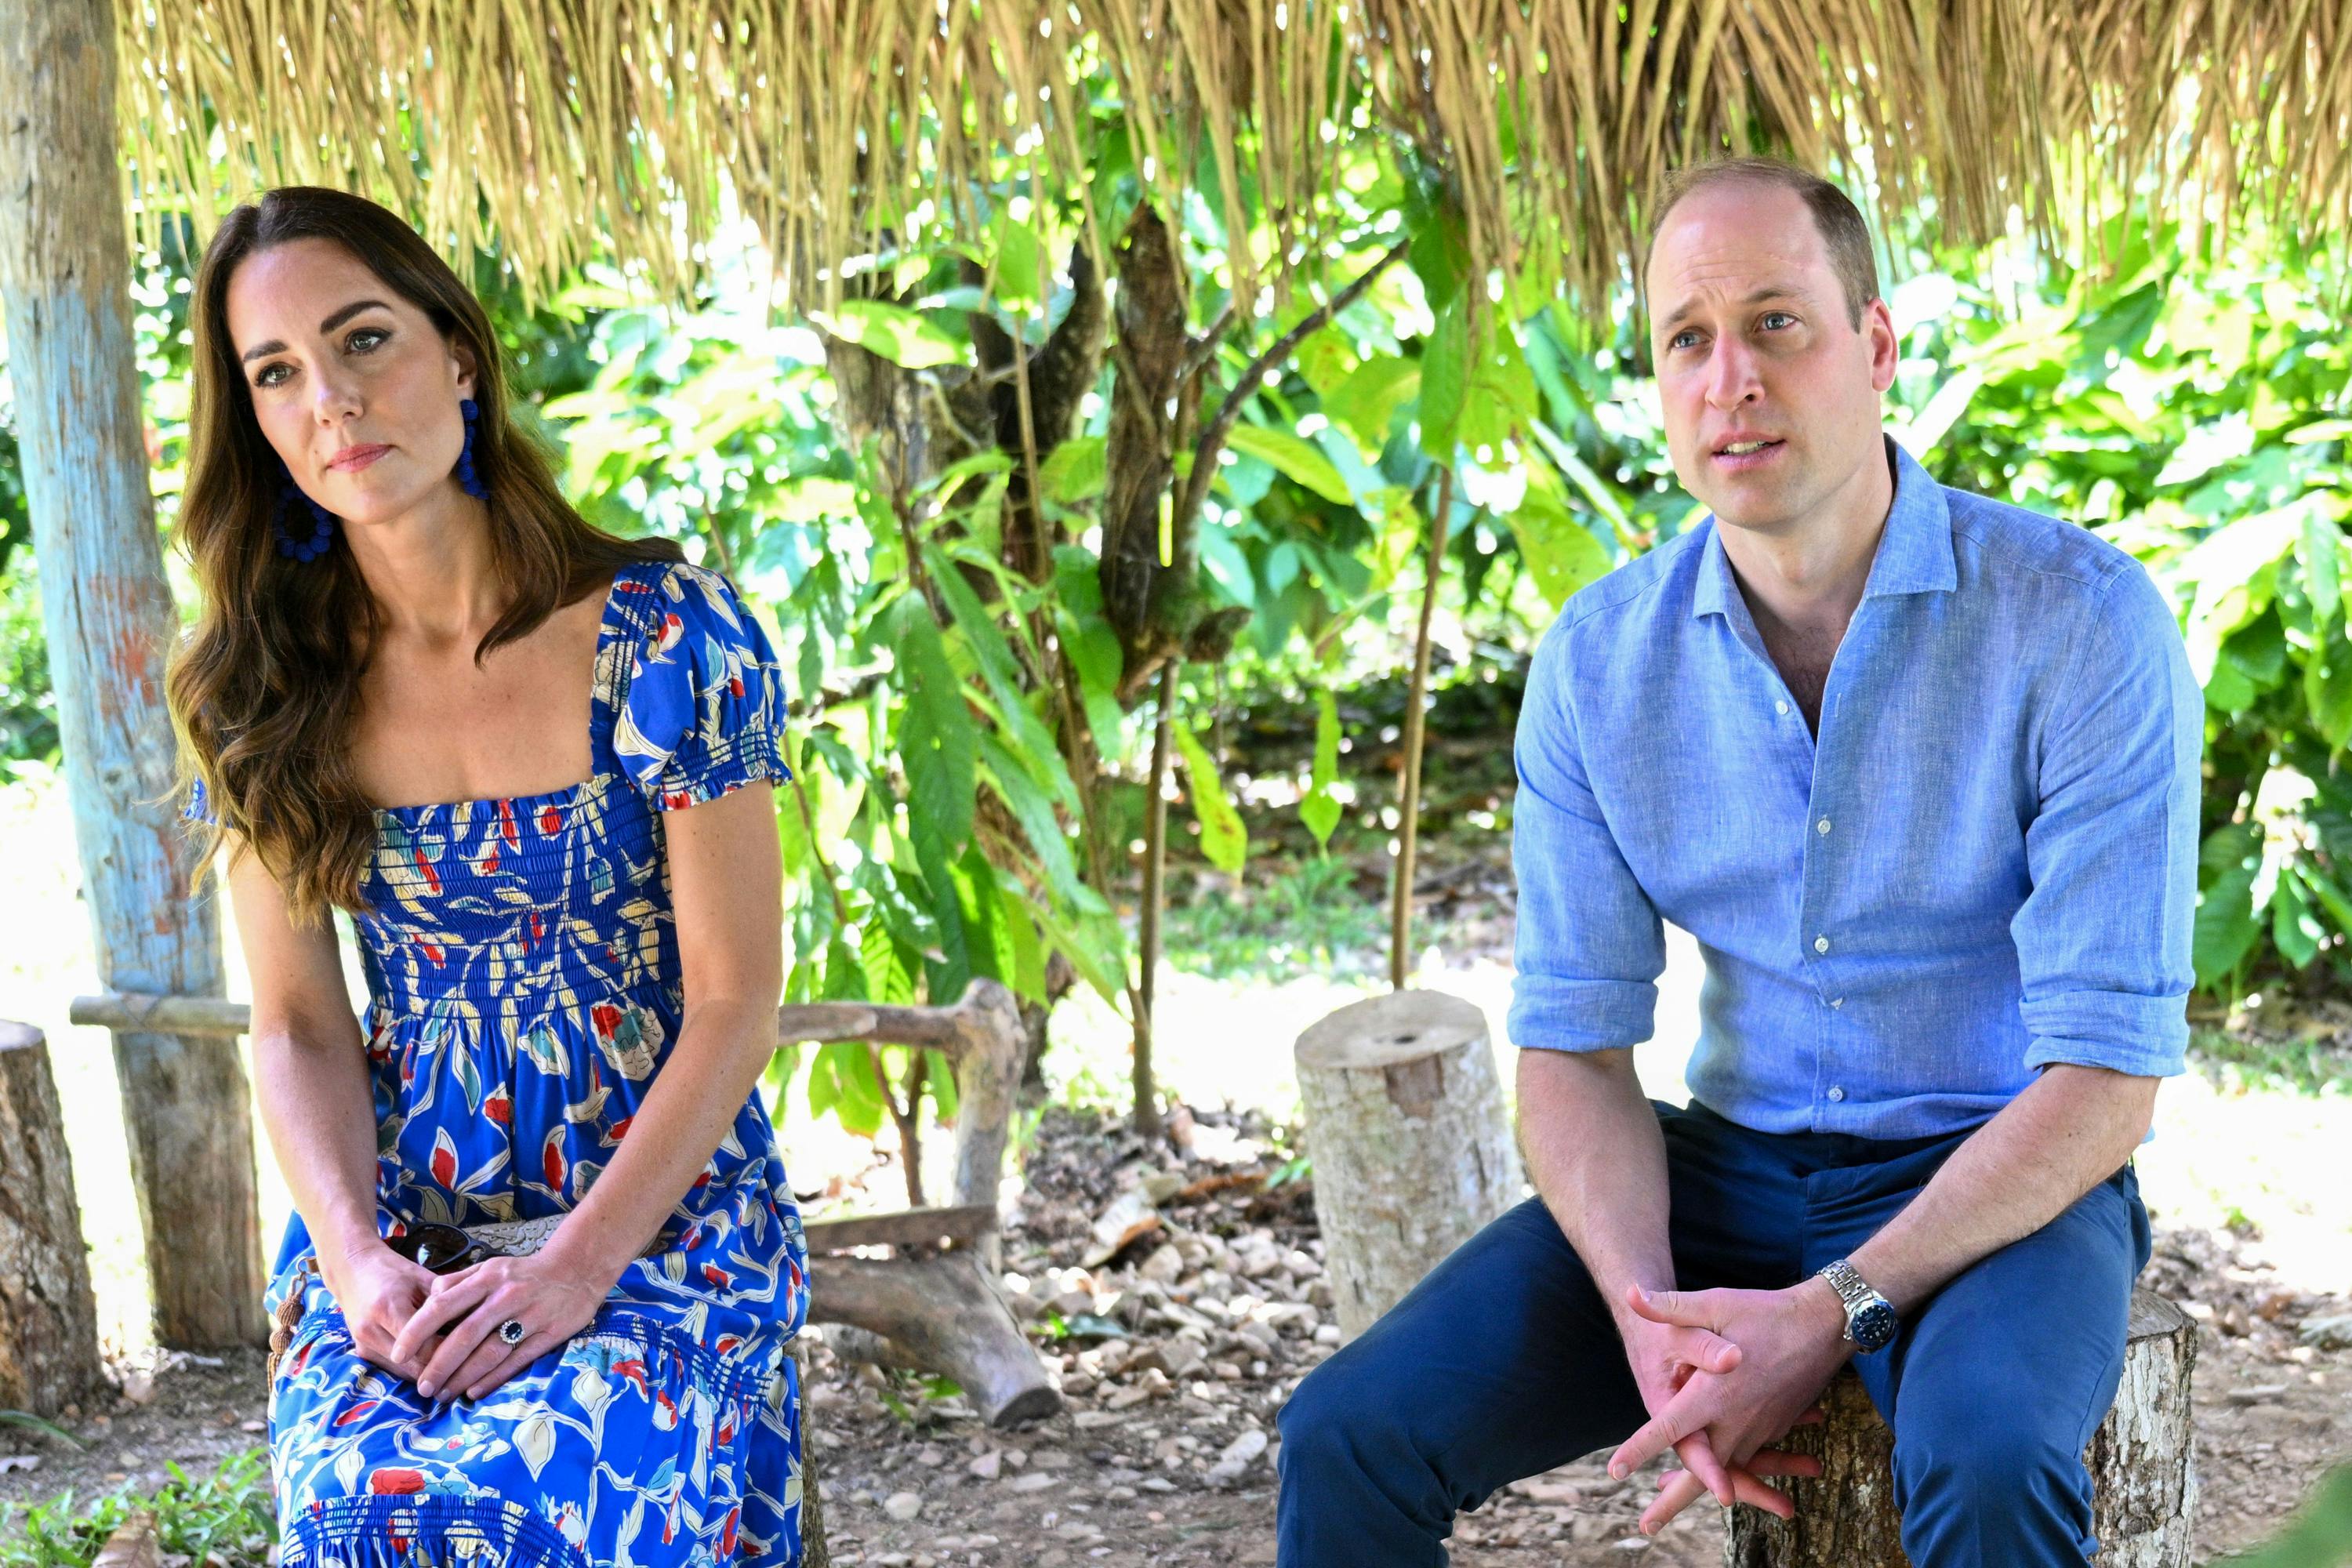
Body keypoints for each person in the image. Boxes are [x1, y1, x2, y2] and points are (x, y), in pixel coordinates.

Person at [1274, 155, 2201, 1567]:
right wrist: (1652, 1321)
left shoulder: (2079, 623)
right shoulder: (1599, 664)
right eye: (1687, 340)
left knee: (1996, 1458)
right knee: (1348, 1435)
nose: (1732, 379)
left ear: (1877, 347)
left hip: (1999, 1178)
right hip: (1728, 1179)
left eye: (1779, 322)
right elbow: (1574, 1048)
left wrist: (1831, 1313)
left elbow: (2110, 1075)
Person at [165, 187, 808, 1566]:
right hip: (404, 1240)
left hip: (658, 1226)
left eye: (363, 340)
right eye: (277, 374)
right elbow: (294, 1026)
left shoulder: (670, 640)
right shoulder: (265, 688)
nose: (331, 399)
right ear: (261, 426)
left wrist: (576, 1271)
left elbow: (737, 998)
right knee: (365, 1513)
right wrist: (351, 1263)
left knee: (549, 1495)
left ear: (458, 352)